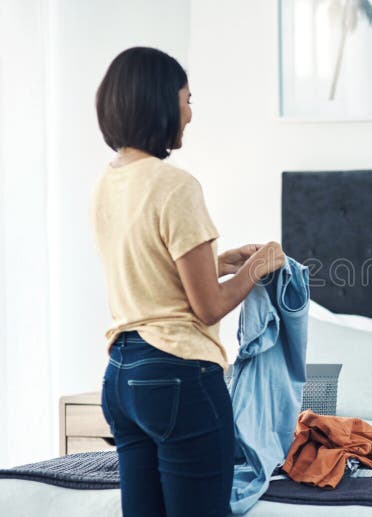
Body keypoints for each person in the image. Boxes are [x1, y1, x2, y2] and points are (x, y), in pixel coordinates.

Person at [90, 46, 285, 516]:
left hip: (121, 377)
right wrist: (257, 268)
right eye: (187, 99)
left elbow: (147, 269)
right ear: (159, 102)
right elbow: (209, 307)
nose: (191, 114)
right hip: (179, 376)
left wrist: (220, 261)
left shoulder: (108, 182)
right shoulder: (176, 185)